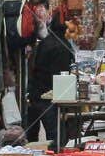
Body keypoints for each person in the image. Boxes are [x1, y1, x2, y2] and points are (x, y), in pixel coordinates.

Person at [26, 12, 74, 148]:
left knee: (32, 139)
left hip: (36, 94)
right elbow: (61, 75)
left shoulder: (47, 41)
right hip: (49, 99)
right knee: (56, 140)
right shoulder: (62, 47)